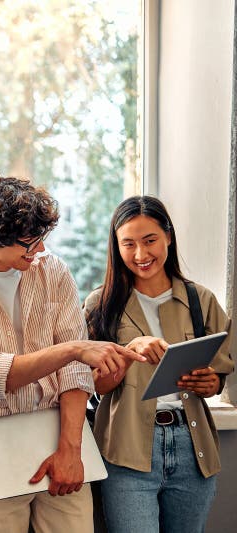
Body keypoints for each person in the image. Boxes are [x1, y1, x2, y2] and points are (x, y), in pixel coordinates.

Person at [0, 173, 143, 533]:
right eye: (28, 244)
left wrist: (70, 450)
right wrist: (73, 349)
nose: (39, 250)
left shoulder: (53, 270)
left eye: (41, 239)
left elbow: (76, 373)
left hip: (61, 432)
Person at [84, 196, 233, 533]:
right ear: (116, 247)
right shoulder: (100, 304)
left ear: (168, 236)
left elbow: (220, 373)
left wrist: (213, 383)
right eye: (128, 244)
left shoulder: (201, 300)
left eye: (150, 240)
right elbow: (94, 386)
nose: (141, 254)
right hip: (126, 449)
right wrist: (126, 354)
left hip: (192, 447)